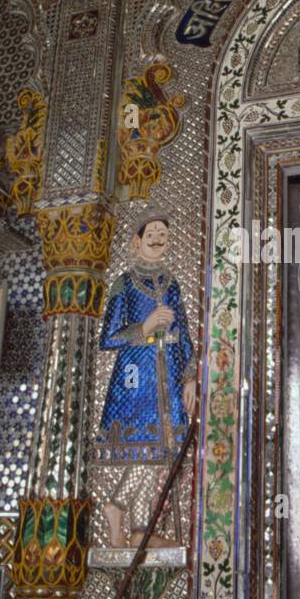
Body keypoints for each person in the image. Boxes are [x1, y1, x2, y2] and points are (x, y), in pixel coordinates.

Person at [96, 206, 198, 548]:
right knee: (146, 450)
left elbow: (183, 332)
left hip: (168, 375)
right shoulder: (123, 284)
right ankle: (115, 505)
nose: (157, 240)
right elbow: (108, 337)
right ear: (136, 241)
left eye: (163, 235)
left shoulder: (172, 284)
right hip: (135, 377)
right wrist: (146, 326)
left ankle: (141, 530)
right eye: (151, 234)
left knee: (162, 454)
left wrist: (189, 378)